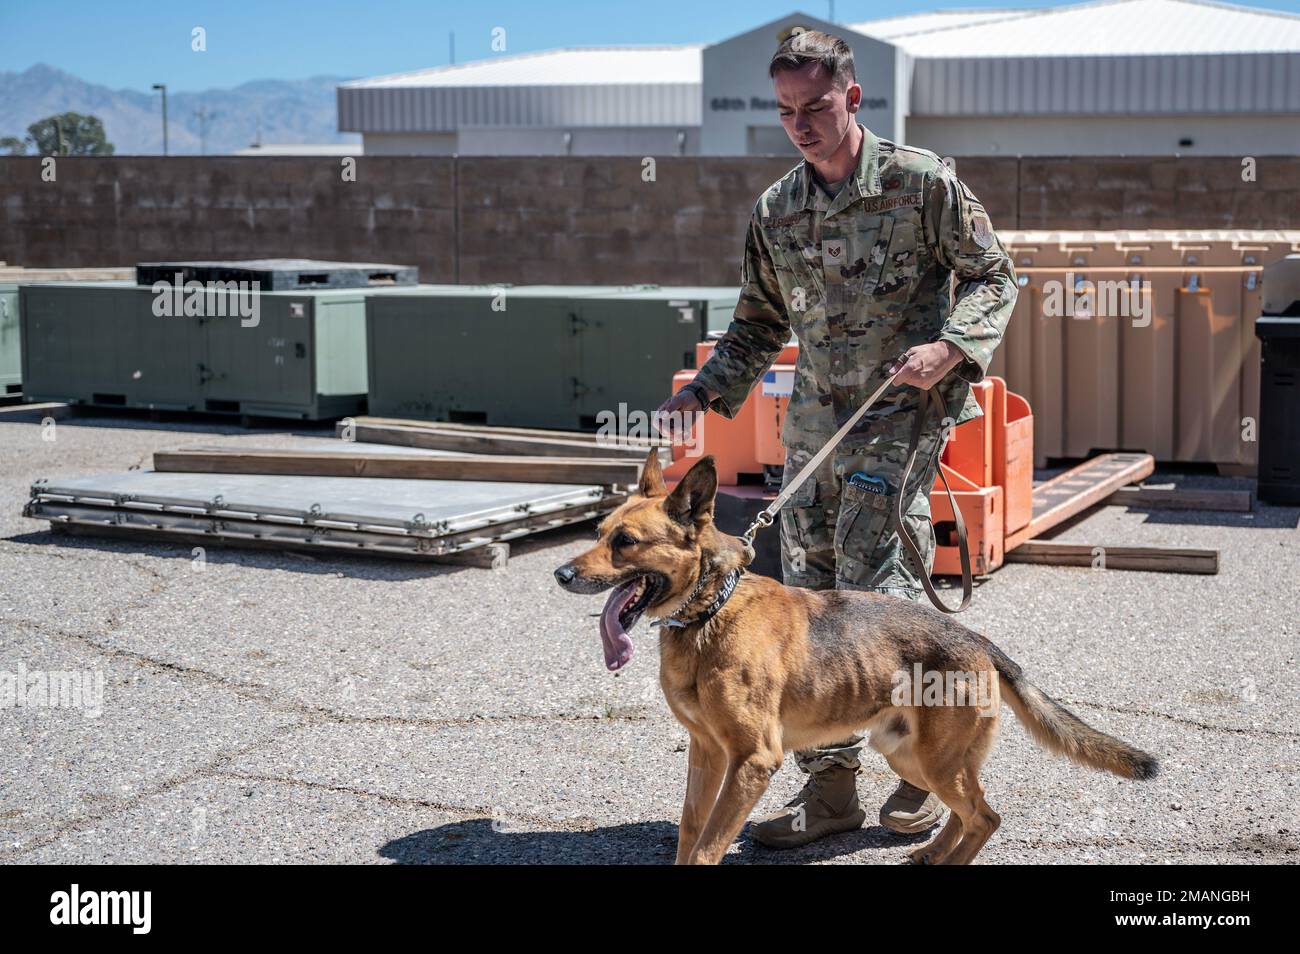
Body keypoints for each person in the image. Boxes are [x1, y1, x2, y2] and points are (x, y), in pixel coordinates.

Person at [655, 28, 1017, 849]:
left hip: (900, 417)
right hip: (815, 428)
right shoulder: (777, 209)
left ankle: (920, 775)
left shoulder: (923, 184)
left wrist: (952, 346)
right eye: (785, 111)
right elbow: (756, 324)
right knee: (807, 608)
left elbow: (994, 275)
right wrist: (702, 394)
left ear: (853, 98)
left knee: (876, 595)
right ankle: (829, 796)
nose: (801, 124)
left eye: (815, 106)